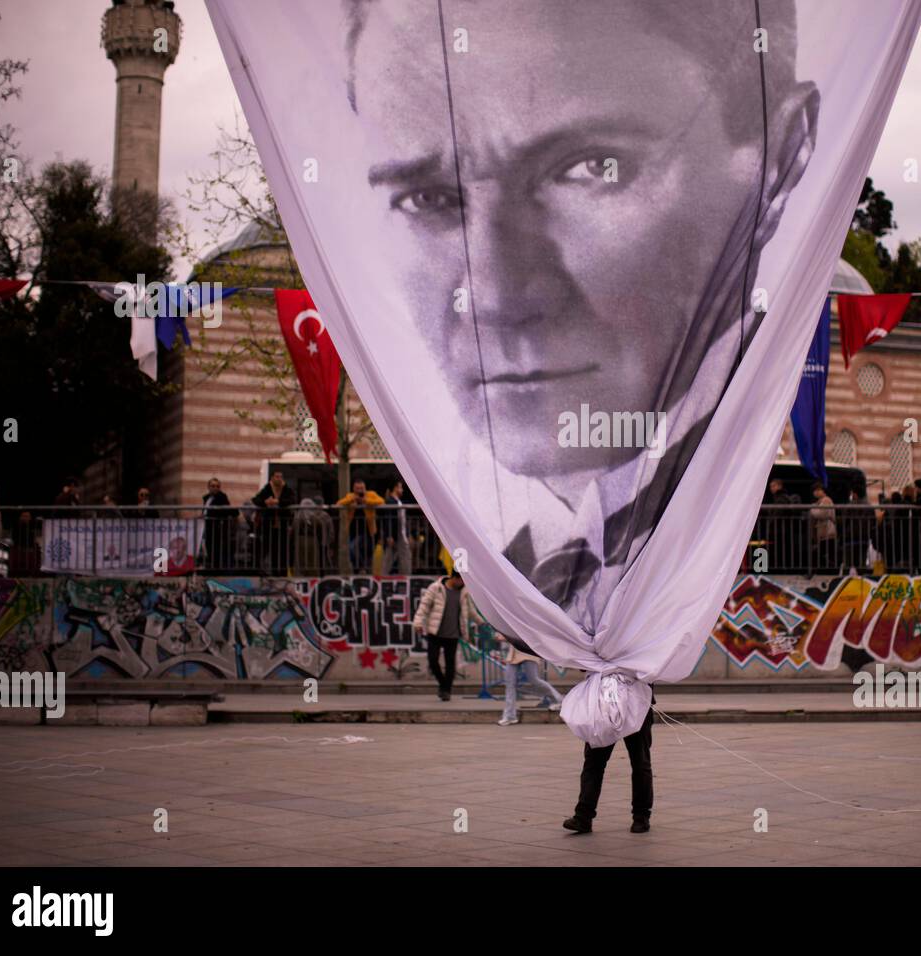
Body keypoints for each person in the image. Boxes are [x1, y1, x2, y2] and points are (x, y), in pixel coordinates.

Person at [342, 0, 822, 627]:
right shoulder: (471, 523)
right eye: (426, 198)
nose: (495, 297)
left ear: (777, 161)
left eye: (592, 168)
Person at [563, 689, 655, 835]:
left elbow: (652, 669)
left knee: (640, 762)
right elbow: (584, 666)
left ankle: (641, 816)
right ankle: (583, 817)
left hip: (637, 704)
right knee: (593, 763)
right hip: (604, 704)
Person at [412, 571, 482, 700]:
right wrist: (417, 623)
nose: (464, 583)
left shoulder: (464, 592)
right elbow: (424, 606)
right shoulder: (436, 588)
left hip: (453, 634)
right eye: (462, 580)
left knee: (450, 665)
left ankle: (446, 691)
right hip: (435, 633)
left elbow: (471, 611)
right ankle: (443, 684)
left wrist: (483, 622)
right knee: (433, 661)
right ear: (455, 578)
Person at [497, 632, 564, 726]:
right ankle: (510, 716)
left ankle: (558, 700)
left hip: (528, 652)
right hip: (513, 654)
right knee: (509, 684)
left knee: (534, 679)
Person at [252, 470, 297, 575]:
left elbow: (292, 500)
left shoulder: (286, 489)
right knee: (270, 550)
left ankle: (282, 572)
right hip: (269, 526)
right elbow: (255, 500)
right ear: (272, 478)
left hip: (283, 525)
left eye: (281, 476)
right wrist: (265, 502)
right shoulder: (267, 489)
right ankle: (271, 572)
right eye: (277, 476)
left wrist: (278, 502)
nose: (279, 479)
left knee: (283, 551)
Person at [337, 479, 385, 574]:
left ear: (365, 488)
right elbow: (339, 503)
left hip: (367, 530)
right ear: (353, 489)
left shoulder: (370, 494)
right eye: (357, 489)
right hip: (353, 530)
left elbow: (381, 501)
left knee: (355, 549)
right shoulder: (350, 496)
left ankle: (362, 568)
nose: (360, 491)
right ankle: (359, 570)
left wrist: (366, 501)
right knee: (352, 552)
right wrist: (352, 500)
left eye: (362, 488)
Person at [292, 498, 334, 576]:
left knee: (302, 562)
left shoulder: (297, 517)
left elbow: (293, 530)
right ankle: (314, 579)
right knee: (313, 562)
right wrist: (323, 541)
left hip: (300, 541)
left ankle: (303, 577)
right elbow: (321, 529)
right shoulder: (316, 518)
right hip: (313, 541)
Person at [201, 477, 236, 573]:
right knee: (209, 548)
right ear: (208, 487)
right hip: (207, 526)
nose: (215, 488)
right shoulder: (207, 498)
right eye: (213, 486)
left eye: (217, 486)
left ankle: (216, 570)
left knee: (216, 550)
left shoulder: (222, 497)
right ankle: (212, 567)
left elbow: (228, 510)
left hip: (217, 528)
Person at [380, 480, 413, 576]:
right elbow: (388, 519)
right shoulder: (390, 501)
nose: (402, 490)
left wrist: (407, 533)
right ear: (395, 488)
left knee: (398, 556)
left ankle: (403, 576)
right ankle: (404, 576)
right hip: (396, 533)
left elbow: (403, 520)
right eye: (400, 487)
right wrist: (389, 535)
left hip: (400, 533)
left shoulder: (398, 501)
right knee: (394, 556)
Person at [807, 483, 836, 575]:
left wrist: (812, 508)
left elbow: (821, 514)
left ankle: (820, 572)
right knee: (823, 554)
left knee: (822, 554)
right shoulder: (819, 502)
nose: (816, 493)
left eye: (818, 490)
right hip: (823, 534)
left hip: (828, 533)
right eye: (814, 491)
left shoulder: (826, 500)